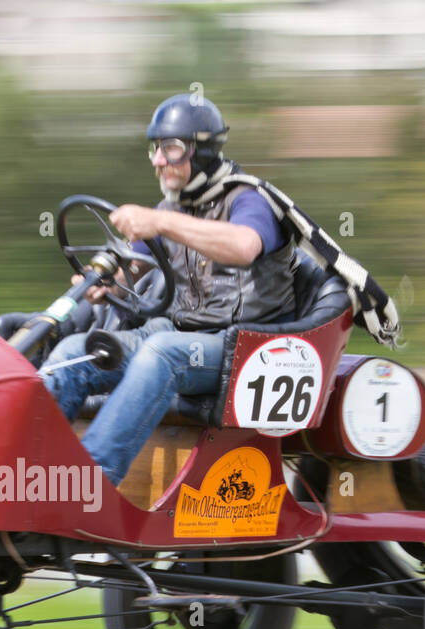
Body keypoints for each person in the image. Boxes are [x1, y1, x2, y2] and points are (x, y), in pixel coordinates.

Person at [41, 92, 297, 487]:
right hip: (178, 333)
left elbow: (244, 247)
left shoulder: (250, 200)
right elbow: (130, 267)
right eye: (155, 149)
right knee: (76, 353)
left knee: (161, 354)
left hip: (244, 347)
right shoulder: (171, 209)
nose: (159, 161)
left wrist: (160, 223)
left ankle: (88, 486)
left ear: (204, 152)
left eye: (171, 149)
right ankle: (28, 471)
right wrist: (101, 282)